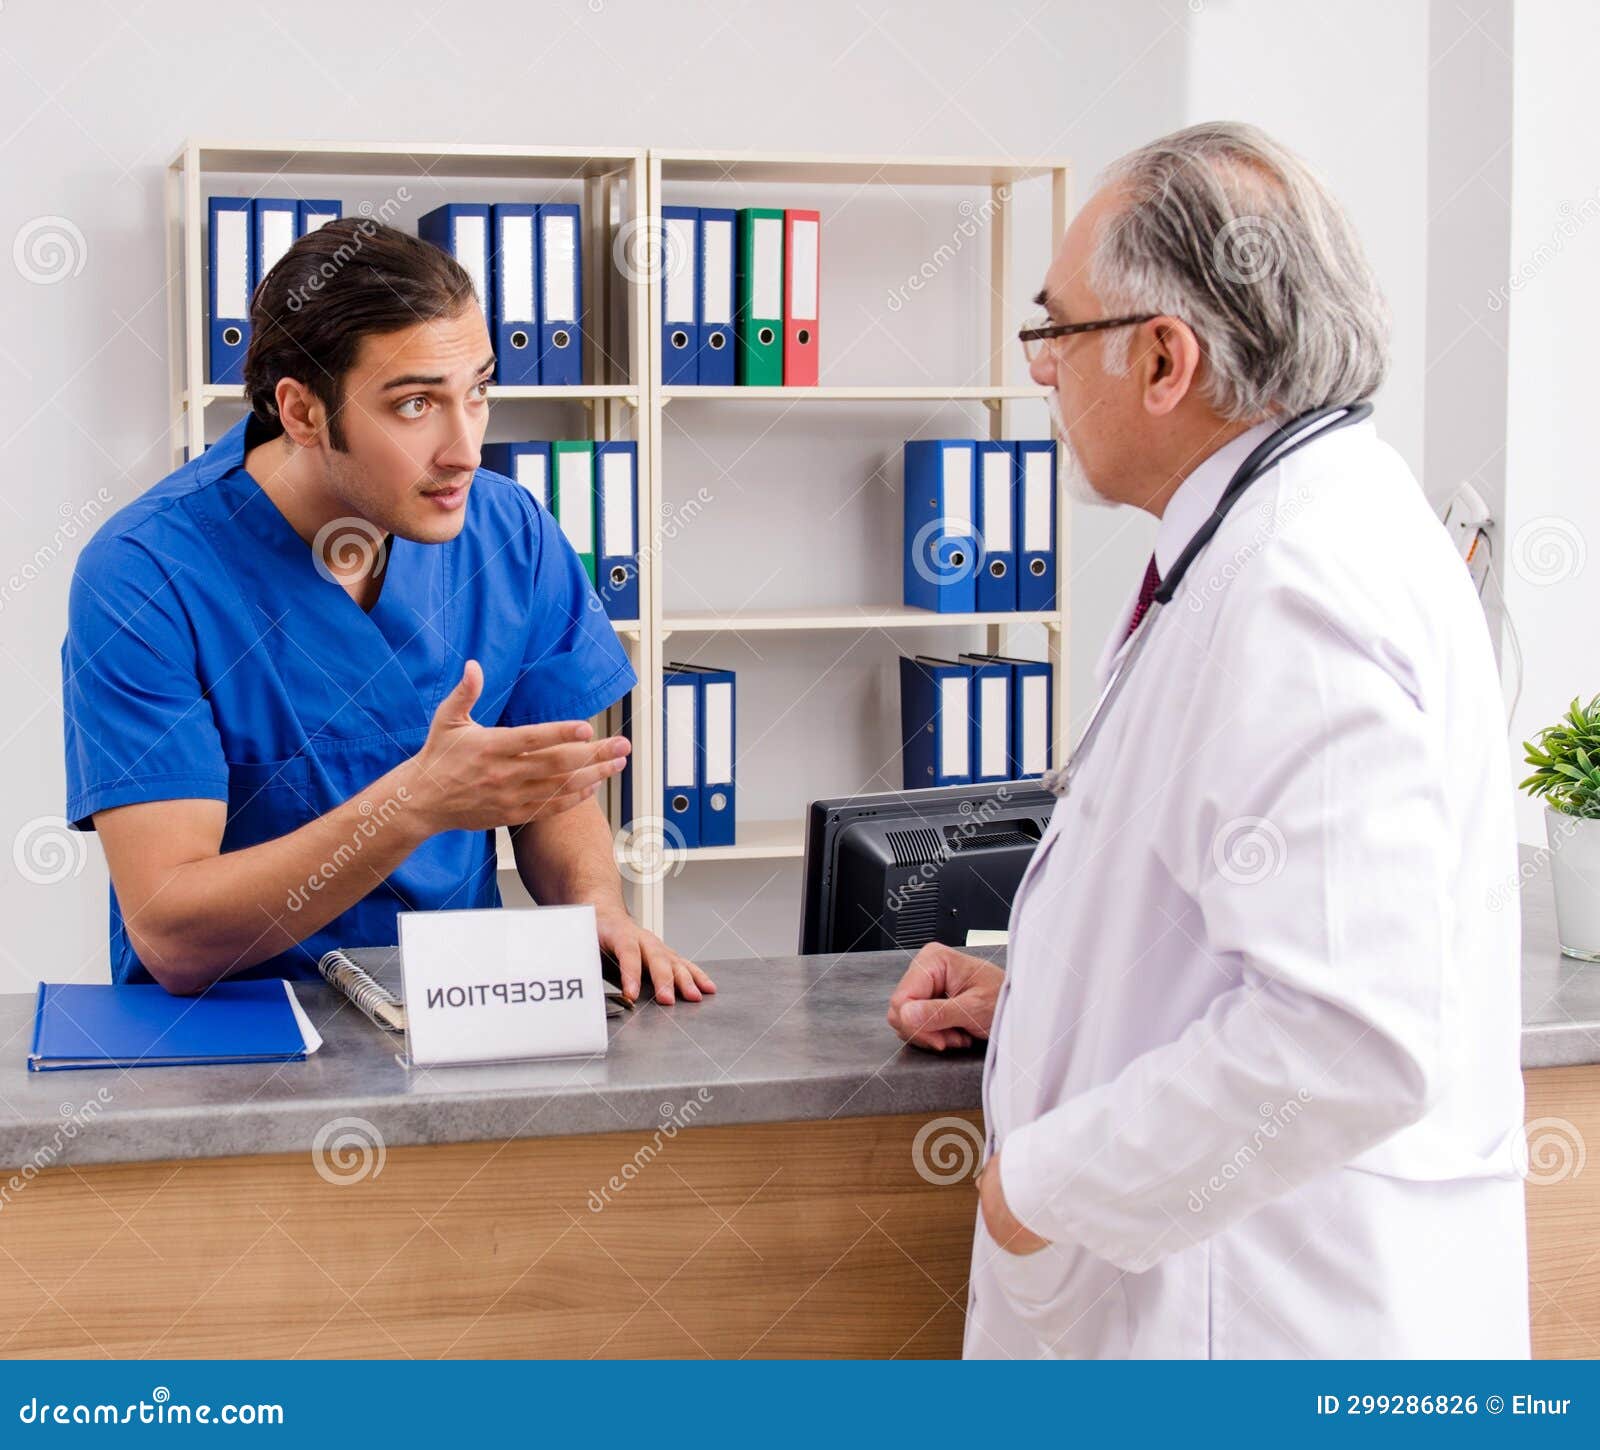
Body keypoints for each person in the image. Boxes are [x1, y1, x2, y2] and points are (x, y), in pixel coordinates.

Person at [887, 122, 1527, 1358]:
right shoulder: (1283, 529)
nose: (1041, 373)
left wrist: (1043, 1187)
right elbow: (1246, 921)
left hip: (1263, 1324)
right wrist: (1050, 1007)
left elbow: (1346, 1035)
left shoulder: (1294, 582)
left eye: (1055, 333)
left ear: (1162, 359)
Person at [63, 218, 713, 1007]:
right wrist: (415, 803)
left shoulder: (511, 532)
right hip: (237, 1035)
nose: (465, 449)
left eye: (477, 391)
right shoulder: (146, 574)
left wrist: (596, 910)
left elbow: (552, 787)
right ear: (303, 413)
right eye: (414, 405)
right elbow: (174, 936)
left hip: (461, 1010)